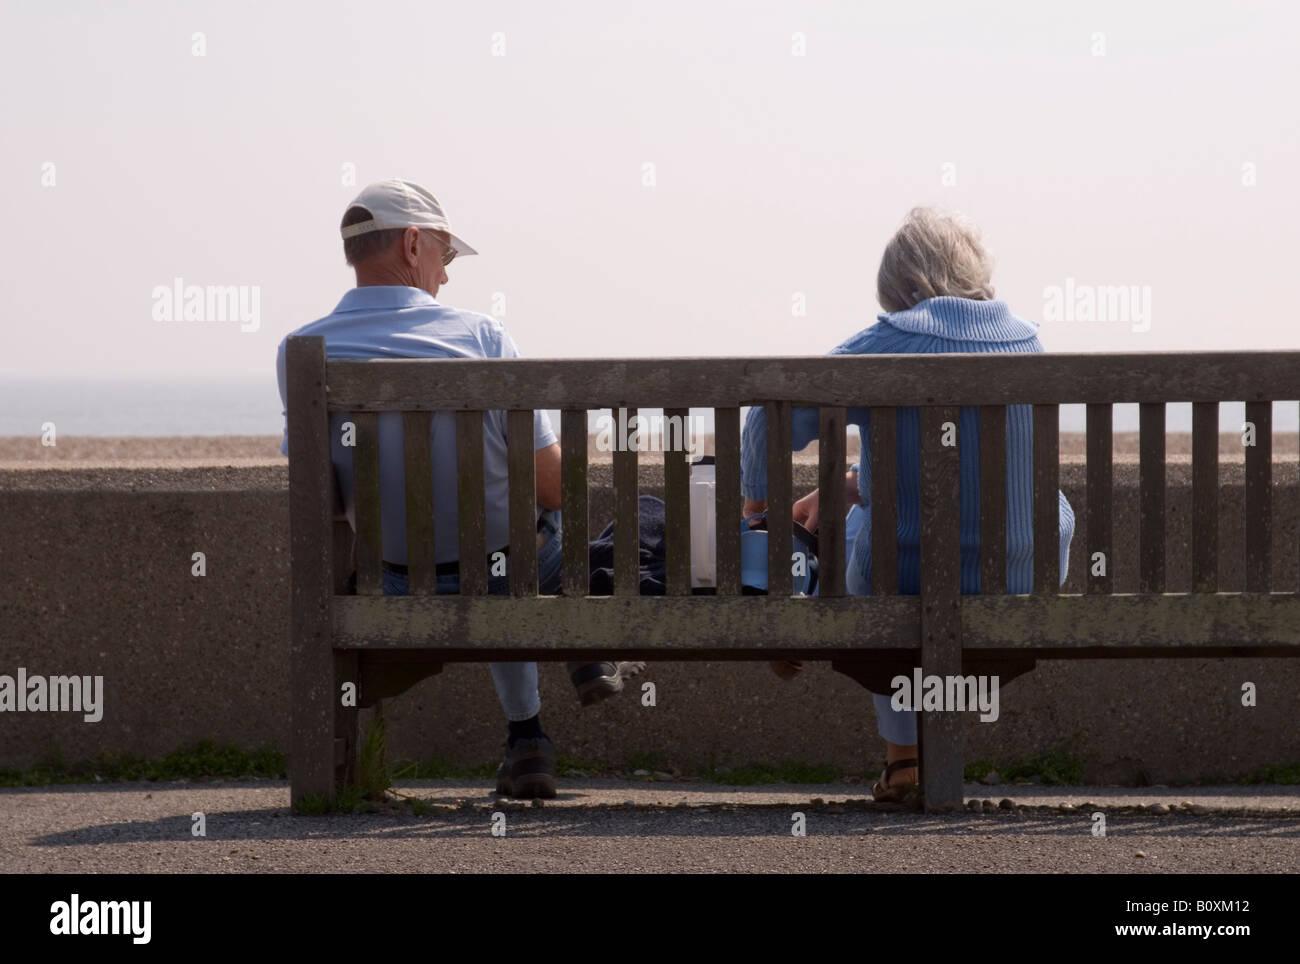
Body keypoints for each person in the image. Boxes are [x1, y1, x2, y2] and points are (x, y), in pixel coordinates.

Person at [275, 178, 643, 799]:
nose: (445, 275)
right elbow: (556, 488)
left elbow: (318, 495)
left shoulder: (300, 352)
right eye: (444, 255)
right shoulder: (482, 339)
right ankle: (579, 655)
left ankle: (529, 738)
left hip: (395, 581)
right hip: (507, 568)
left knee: (502, 545)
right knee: (525, 541)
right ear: (412, 244)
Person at [740, 206, 1075, 804]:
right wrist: (851, 482)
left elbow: (771, 415)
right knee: (1045, 505)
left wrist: (757, 509)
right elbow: (970, 467)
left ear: (901, 286)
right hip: (1021, 581)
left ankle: (902, 762)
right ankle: (911, 762)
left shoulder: (888, 344)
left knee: (869, 532)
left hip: (904, 579)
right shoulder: (1027, 340)